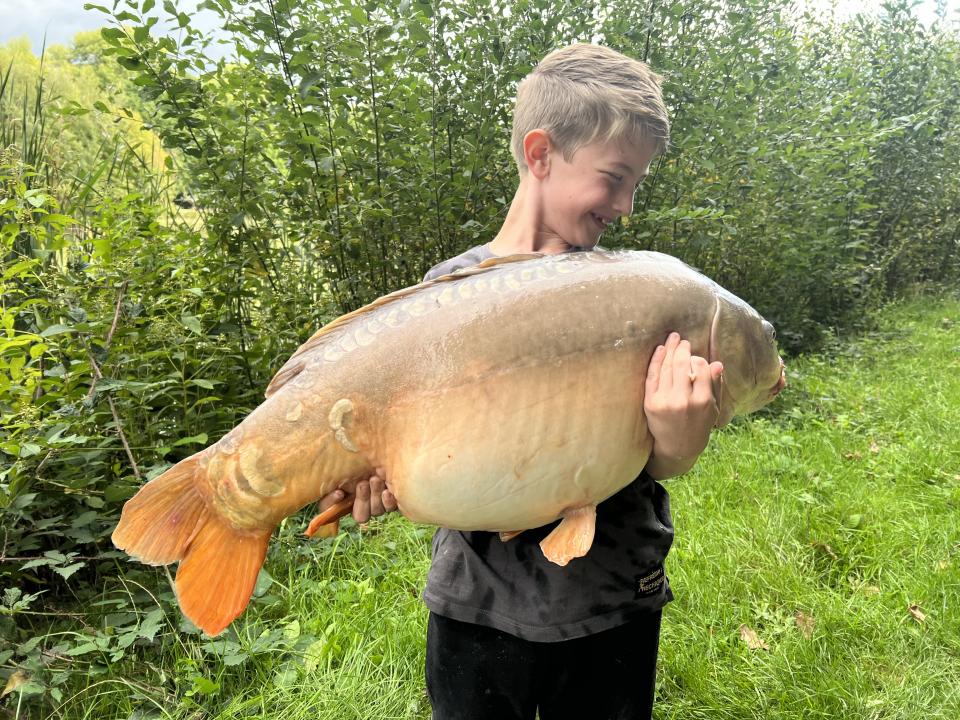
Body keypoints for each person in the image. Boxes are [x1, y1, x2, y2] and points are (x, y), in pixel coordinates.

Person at [317, 43, 722, 720]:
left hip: (613, 598)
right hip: (475, 602)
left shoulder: (638, 292)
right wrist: (377, 479)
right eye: (614, 177)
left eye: (636, 185)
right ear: (540, 155)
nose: (624, 205)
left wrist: (681, 435)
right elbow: (418, 456)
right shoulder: (447, 294)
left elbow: (660, 462)